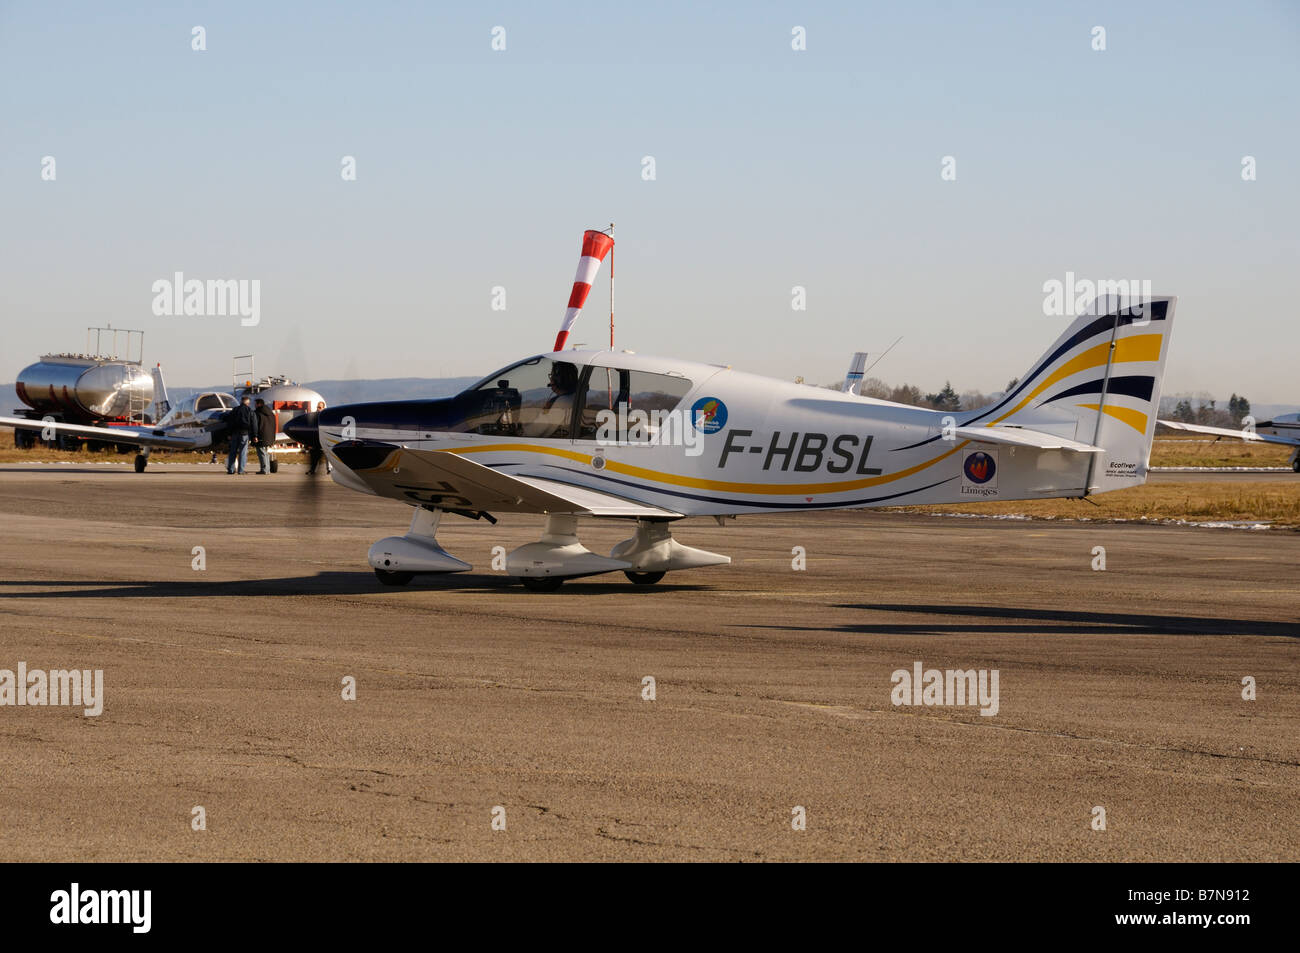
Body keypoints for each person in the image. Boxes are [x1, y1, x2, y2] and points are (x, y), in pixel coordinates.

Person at [526, 361, 577, 438]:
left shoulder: (561, 403)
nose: (551, 379)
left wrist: (523, 428)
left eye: (552, 375)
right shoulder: (573, 398)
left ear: (558, 379)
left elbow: (535, 431)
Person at [223, 394, 257, 474]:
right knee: (243, 452)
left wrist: (229, 434)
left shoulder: (234, 410)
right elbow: (254, 424)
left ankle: (231, 470)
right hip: (244, 434)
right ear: (247, 403)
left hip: (234, 433)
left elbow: (229, 423)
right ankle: (241, 470)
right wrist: (255, 435)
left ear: (241, 402)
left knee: (233, 452)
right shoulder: (250, 411)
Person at [306, 401, 332, 475]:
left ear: (324, 408)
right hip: (316, 439)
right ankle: (312, 470)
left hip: (325, 438)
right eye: (318, 407)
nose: (318, 409)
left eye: (320, 407)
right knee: (314, 455)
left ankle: (329, 469)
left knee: (328, 454)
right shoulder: (314, 416)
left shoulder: (326, 416)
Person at [253, 398, 277, 474]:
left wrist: (255, 435)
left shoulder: (257, 413)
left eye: (255, 404)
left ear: (258, 404)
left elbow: (255, 425)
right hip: (269, 436)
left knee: (261, 452)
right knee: (265, 452)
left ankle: (264, 469)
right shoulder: (270, 413)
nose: (254, 405)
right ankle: (267, 469)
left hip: (261, 436)